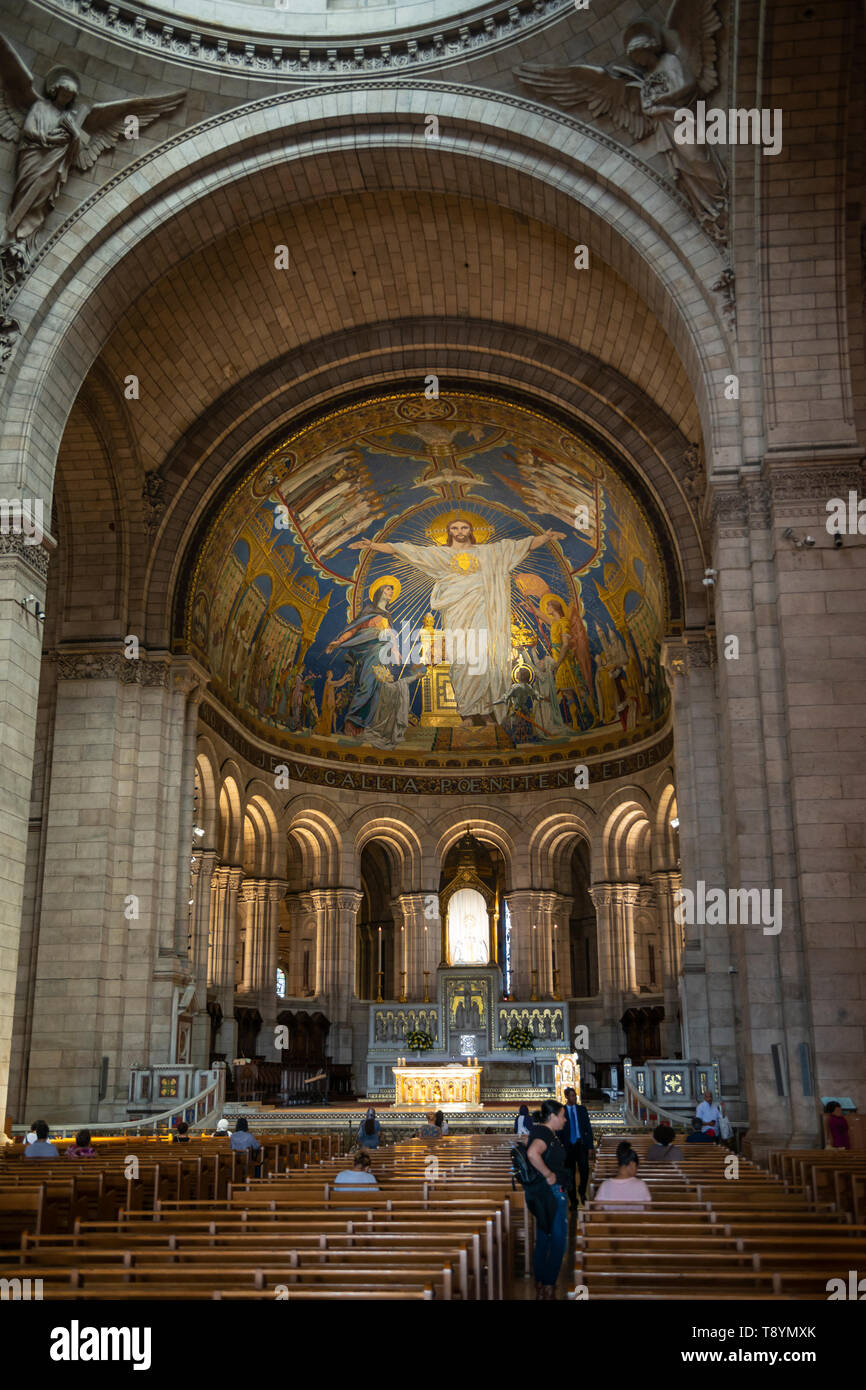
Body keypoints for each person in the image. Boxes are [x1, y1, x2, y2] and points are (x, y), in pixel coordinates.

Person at [526, 1099, 569, 1299]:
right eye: (562, 1115)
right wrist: (548, 1174)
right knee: (558, 1239)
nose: (565, 1120)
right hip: (551, 1193)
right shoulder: (544, 1133)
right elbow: (533, 1153)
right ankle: (549, 1282)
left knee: (544, 1236)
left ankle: (541, 1282)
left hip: (544, 1193)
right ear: (552, 1116)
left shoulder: (545, 1133)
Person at [561, 1086, 595, 1207]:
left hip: (581, 1145)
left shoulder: (582, 1110)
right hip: (568, 1147)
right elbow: (559, 1131)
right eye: (572, 1095)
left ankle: (582, 1191)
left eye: (575, 1095)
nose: (574, 1097)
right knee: (569, 1174)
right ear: (566, 1097)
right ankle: (573, 1199)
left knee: (585, 1171)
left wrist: (590, 1146)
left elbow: (588, 1128)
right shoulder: (562, 1111)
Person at [594, 1141, 652, 1209]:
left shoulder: (605, 1185)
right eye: (637, 1166)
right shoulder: (641, 1185)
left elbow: (597, 1212)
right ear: (632, 1164)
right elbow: (649, 1211)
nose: (637, 1170)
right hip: (636, 1220)